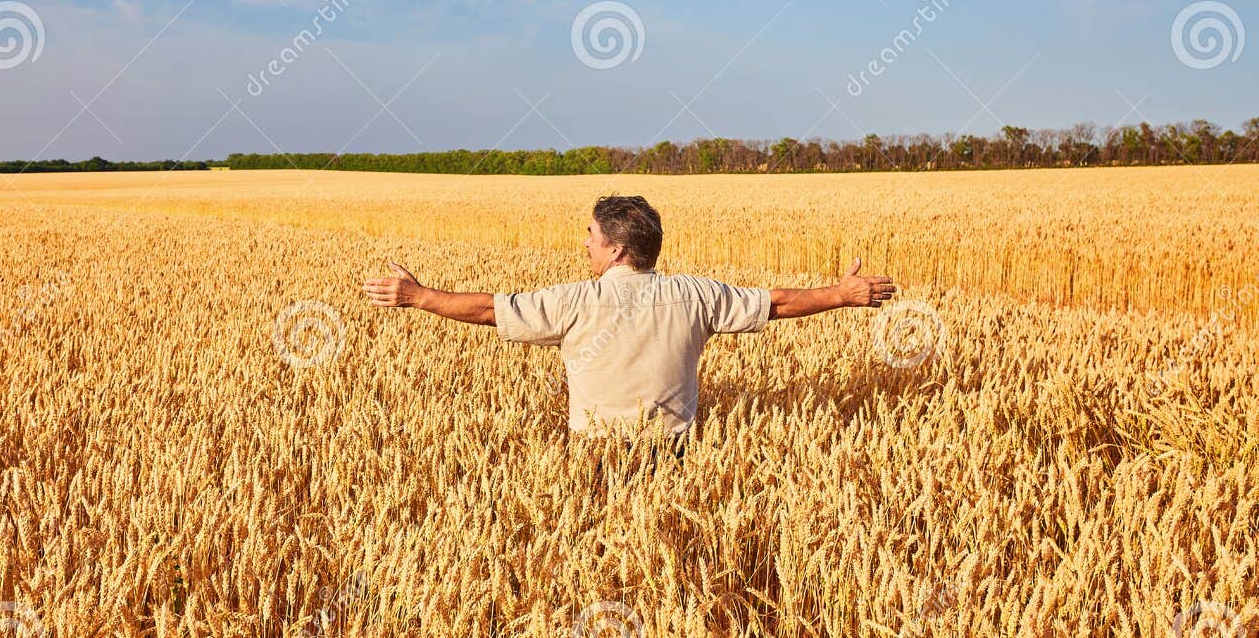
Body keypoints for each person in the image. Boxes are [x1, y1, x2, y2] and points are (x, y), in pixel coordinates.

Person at [361, 194, 896, 454]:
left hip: (594, 459)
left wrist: (418, 296)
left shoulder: (575, 301)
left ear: (616, 250)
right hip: (676, 455)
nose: (585, 243)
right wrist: (842, 294)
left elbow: (489, 310)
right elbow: (774, 304)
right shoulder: (696, 295)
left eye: (591, 235)